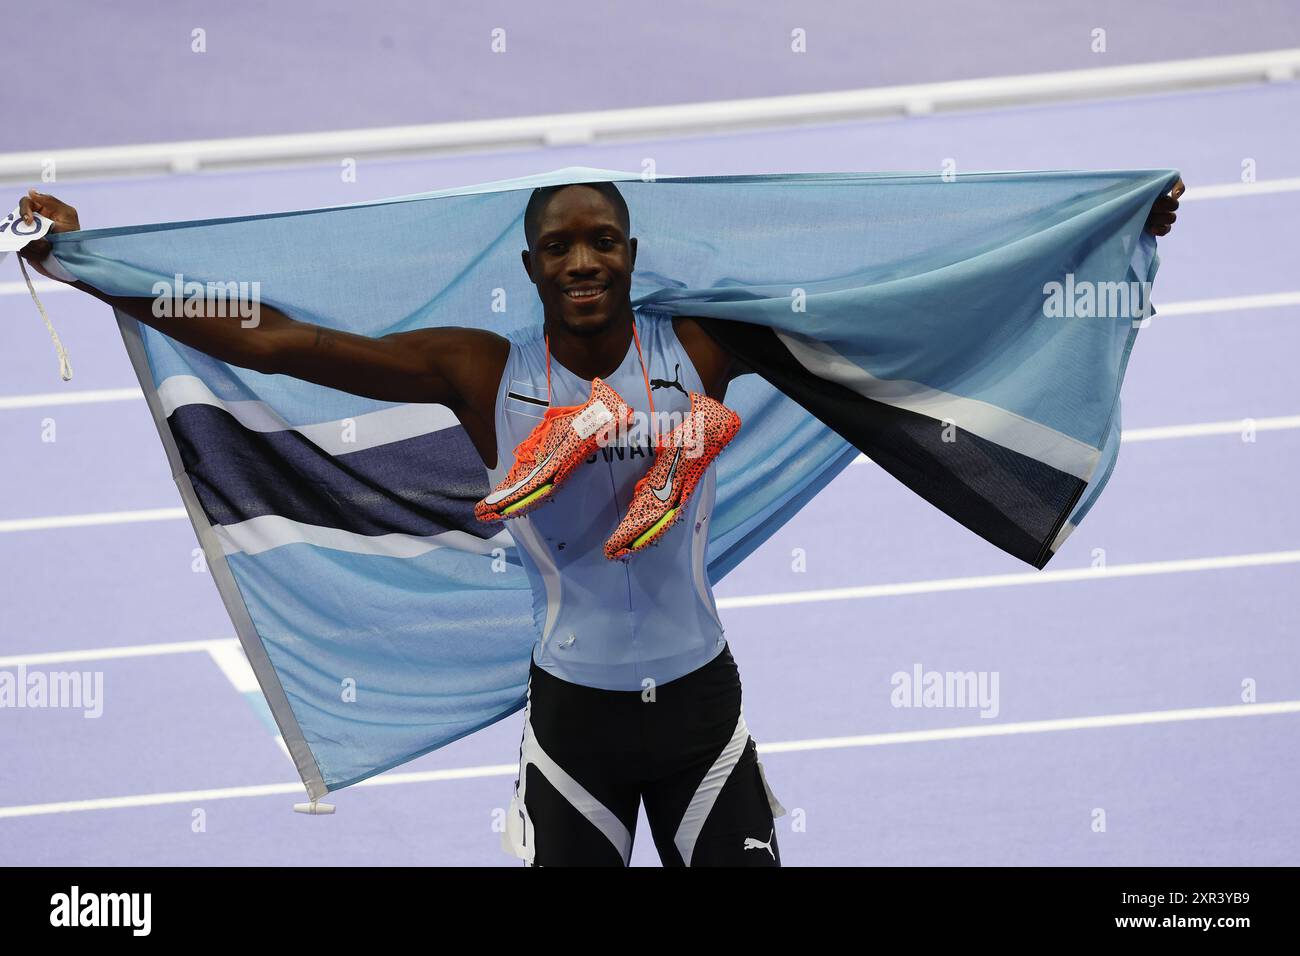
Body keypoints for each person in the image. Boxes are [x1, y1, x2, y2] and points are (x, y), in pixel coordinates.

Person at [16, 176, 1182, 866]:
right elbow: (280, 338)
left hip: (702, 713)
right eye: (560, 246)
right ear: (528, 266)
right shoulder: (479, 371)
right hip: (571, 721)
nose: (583, 259)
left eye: (603, 241)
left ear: (631, 255)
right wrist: (90, 265)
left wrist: (1108, 232)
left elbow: (903, 301)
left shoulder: (707, 345)